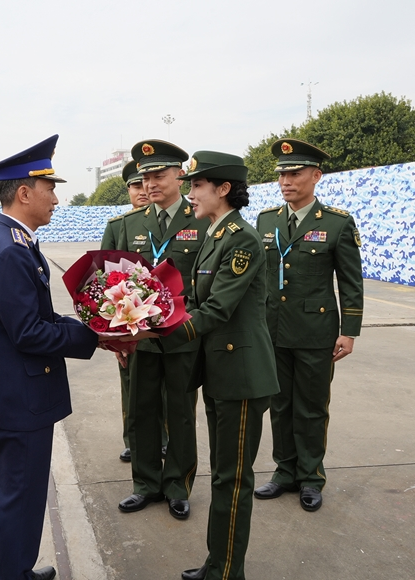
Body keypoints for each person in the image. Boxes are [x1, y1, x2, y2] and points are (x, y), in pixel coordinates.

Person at [0, 134, 107, 580]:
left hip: (12, 392)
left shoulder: (14, 241)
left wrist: (92, 327)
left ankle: (14, 570)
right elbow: (29, 332)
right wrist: (93, 338)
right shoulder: (10, 250)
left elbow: (36, 317)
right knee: (20, 496)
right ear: (24, 193)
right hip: (19, 397)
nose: (56, 199)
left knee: (14, 493)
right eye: (50, 189)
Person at [160, 151, 280, 580]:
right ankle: (219, 564)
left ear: (224, 189)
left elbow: (216, 309)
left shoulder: (241, 239)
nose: (190, 194)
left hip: (241, 377)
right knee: (223, 476)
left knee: (231, 478)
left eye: (197, 185)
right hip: (220, 372)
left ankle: (226, 572)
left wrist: (155, 332)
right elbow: (194, 301)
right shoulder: (215, 234)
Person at [254, 138, 364, 512]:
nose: (286, 181)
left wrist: (349, 331)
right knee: (280, 405)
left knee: (312, 407)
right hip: (273, 330)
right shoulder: (267, 220)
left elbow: (350, 281)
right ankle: (284, 472)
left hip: (316, 333)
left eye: (295, 173)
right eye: (282, 174)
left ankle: (311, 477)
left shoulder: (336, 223)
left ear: (316, 176)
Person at [116, 139, 210, 520]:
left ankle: (177, 487)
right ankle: (145, 484)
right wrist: (117, 336)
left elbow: (208, 284)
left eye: (158, 175)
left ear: (179, 175)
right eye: (145, 178)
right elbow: (111, 283)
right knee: (141, 411)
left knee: (181, 414)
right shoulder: (129, 224)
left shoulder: (201, 220)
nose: (151, 184)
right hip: (141, 340)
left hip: (183, 337)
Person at [100, 160, 168, 463]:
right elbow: (104, 280)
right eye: (136, 185)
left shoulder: (174, 221)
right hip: (132, 325)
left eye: (147, 183)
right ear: (128, 189)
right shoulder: (119, 226)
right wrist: (114, 334)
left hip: (168, 321)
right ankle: (134, 439)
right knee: (132, 386)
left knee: (169, 389)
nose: (143, 190)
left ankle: (164, 440)